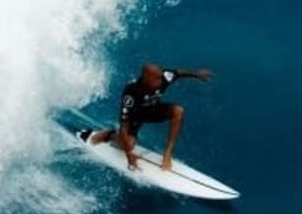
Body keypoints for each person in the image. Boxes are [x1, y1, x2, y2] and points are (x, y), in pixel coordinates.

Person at [81, 63, 213, 171]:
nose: (161, 81)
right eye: (156, 79)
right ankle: (108, 135)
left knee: (178, 111)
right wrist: (129, 155)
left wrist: (197, 74)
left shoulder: (164, 77)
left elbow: (179, 73)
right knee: (129, 145)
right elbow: (124, 124)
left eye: (160, 77)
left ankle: (167, 153)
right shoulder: (132, 92)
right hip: (134, 117)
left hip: (153, 111)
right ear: (146, 79)